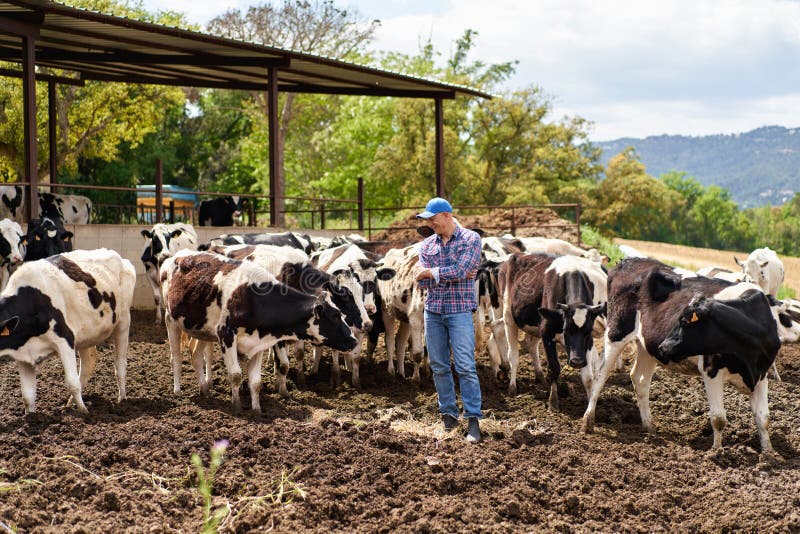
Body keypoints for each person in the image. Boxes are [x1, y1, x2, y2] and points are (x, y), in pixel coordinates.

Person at [415, 197, 483, 443]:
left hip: (459, 311)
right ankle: (448, 417)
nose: (430, 224)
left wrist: (432, 273)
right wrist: (445, 274)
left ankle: (473, 419)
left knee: (465, 365)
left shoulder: (471, 239)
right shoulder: (427, 246)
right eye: (427, 220)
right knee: (439, 365)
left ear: (446, 215)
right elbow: (419, 279)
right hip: (433, 311)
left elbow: (462, 270)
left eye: (432, 219)